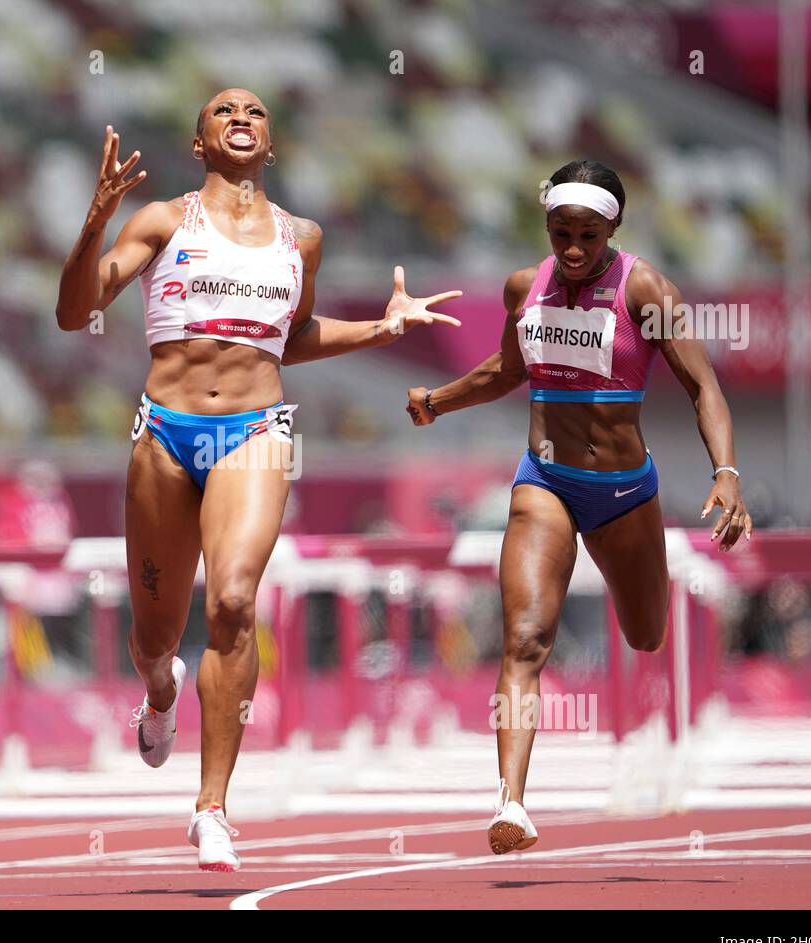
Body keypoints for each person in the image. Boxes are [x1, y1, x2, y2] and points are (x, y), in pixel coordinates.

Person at [57, 89, 461, 870]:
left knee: (235, 600)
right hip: (165, 434)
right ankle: (160, 692)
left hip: (255, 432)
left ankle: (212, 807)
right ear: (200, 142)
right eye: (221, 111)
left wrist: (383, 326)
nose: (240, 115)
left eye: (255, 111)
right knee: (154, 639)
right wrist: (95, 219)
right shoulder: (161, 221)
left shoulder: (301, 239)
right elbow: (75, 312)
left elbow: (293, 338)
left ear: (269, 145)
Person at [405, 160, 753, 855]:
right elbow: (507, 371)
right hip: (546, 482)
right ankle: (511, 803)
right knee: (525, 638)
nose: (570, 249)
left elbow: (702, 386)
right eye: (559, 232)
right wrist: (437, 401)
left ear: (613, 227)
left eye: (586, 236)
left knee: (646, 634)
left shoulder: (645, 290)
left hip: (625, 494)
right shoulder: (522, 289)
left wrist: (727, 473)